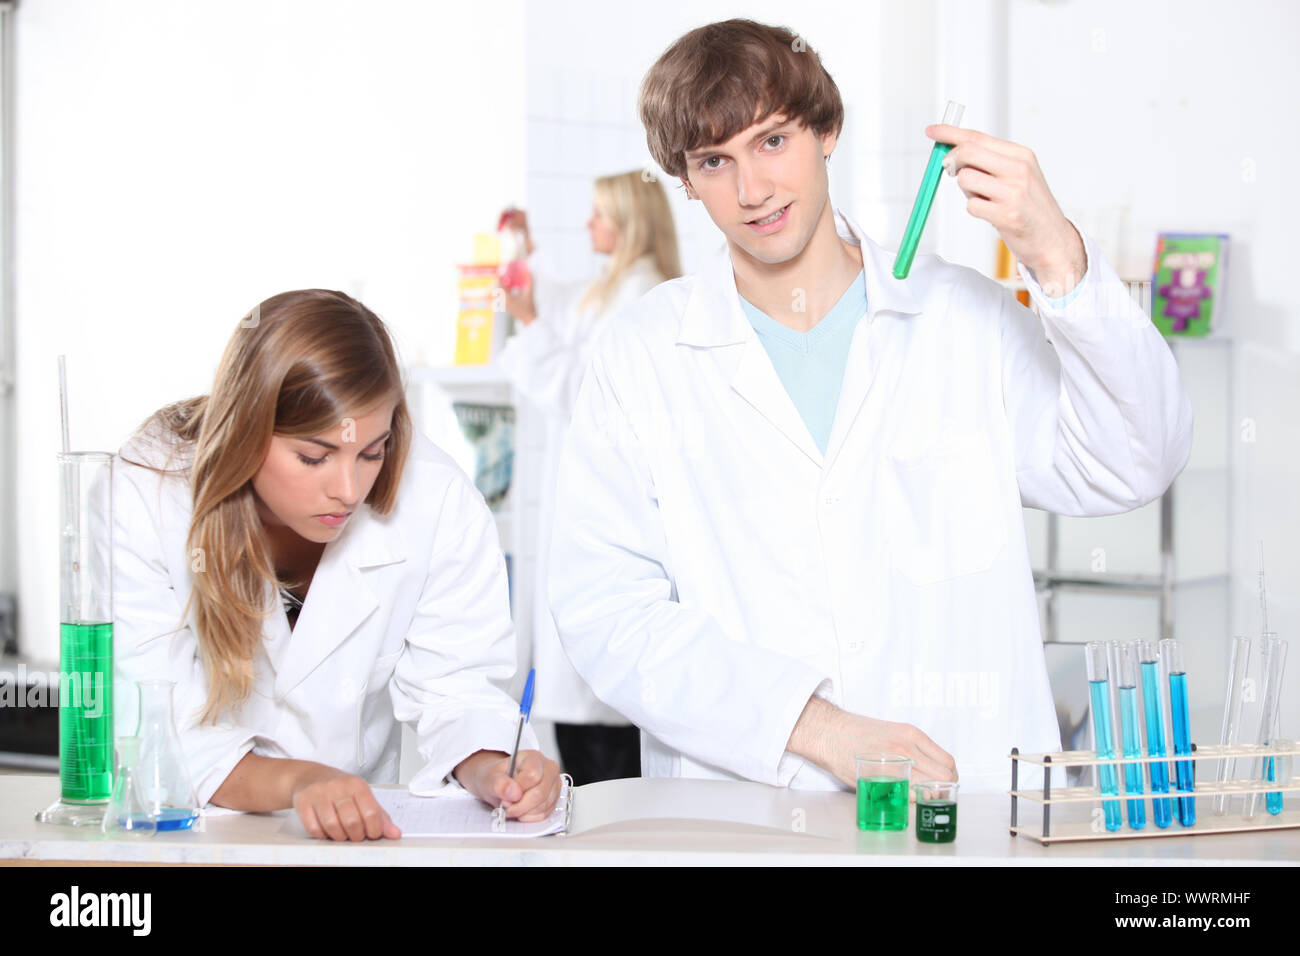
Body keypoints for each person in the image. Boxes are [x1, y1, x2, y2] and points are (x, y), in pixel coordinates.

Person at [548, 19, 1194, 794]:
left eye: (773, 142)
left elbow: (1137, 459)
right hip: (749, 816)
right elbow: (604, 609)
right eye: (715, 161)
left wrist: (1056, 252)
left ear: (827, 130)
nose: (752, 191)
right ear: (684, 180)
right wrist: (815, 727)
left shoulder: (961, 319)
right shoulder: (642, 353)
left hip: (968, 809)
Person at [113, 290, 562, 840]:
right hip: (192, 836)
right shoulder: (151, 488)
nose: (348, 492)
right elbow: (153, 718)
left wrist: (494, 765)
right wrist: (299, 781)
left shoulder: (436, 498)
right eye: (313, 456)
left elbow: (455, 689)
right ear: (246, 430)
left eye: (372, 452)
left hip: (350, 844)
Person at [495, 171, 681, 785]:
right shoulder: (618, 289)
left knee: (599, 725)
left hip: (610, 510)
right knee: (581, 707)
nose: (588, 225)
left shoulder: (639, 296)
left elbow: (583, 391)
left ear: (628, 224)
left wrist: (527, 325)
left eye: (599, 215)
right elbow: (562, 304)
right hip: (584, 500)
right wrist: (523, 252)